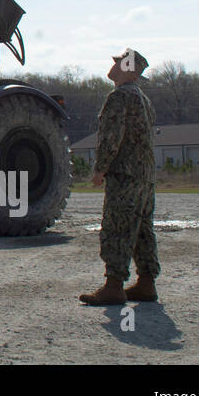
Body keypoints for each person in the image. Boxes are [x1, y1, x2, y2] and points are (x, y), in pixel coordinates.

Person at [79, 48, 159, 306]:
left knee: (117, 229)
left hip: (124, 175)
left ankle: (114, 286)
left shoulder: (119, 97)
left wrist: (100, 169)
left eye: (117, 62)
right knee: (143, 230)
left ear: (128, 68)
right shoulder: (142, 99)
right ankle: (146, 283)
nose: (112, 67)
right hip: (144, 176)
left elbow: (112, 137)